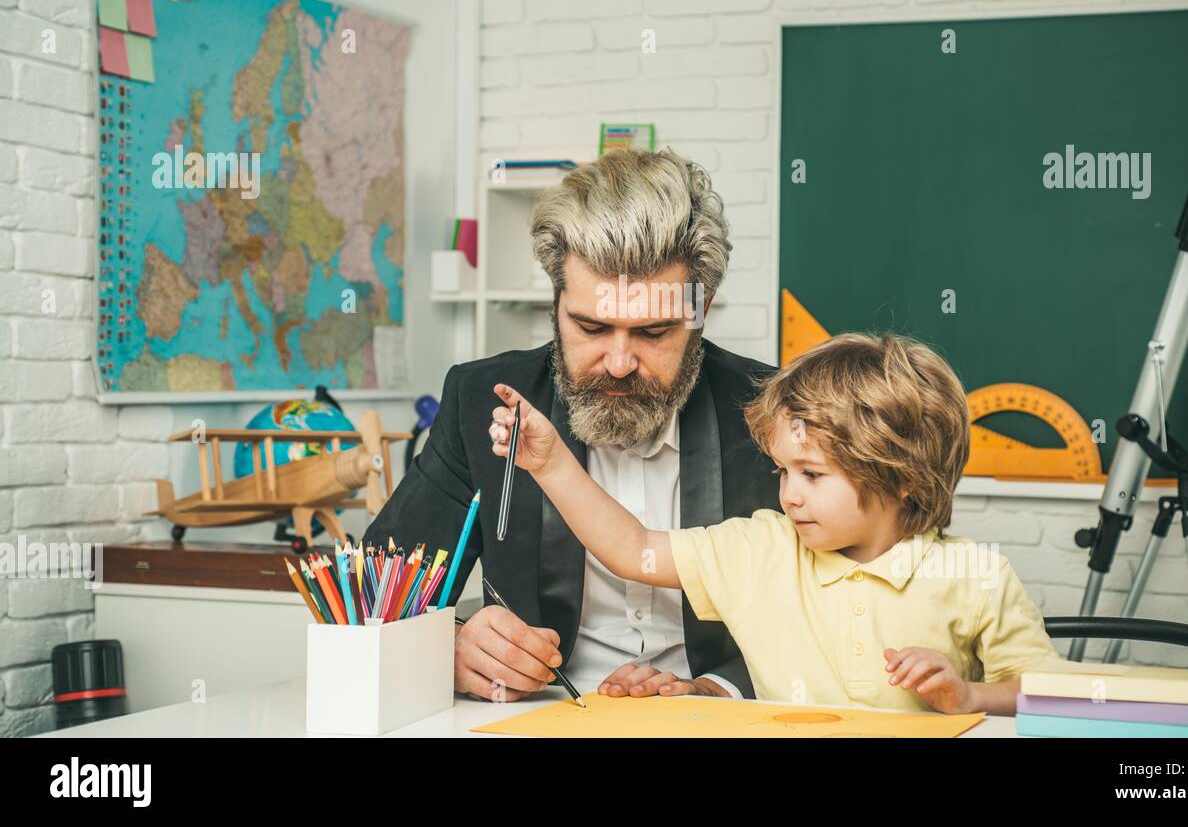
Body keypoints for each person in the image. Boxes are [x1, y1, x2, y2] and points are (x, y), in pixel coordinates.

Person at [364, 147, 779, 702]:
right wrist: (449, 644)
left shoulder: (776, 412)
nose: (619, 362)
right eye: (590, 326)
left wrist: (719, 691)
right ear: (556, 303)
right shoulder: (480, 400)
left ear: (700, 314)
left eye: (654, 333)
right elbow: (373, 588)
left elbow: (849, 608)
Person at [485, 332, 1062, 713]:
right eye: (783, 471)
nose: (788, 494)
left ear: (900, 477)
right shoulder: (760, 548)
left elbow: (1047, 695)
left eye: (812, 474)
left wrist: (968, 695)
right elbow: (632, 548)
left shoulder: (978, 576)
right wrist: (553, 462)